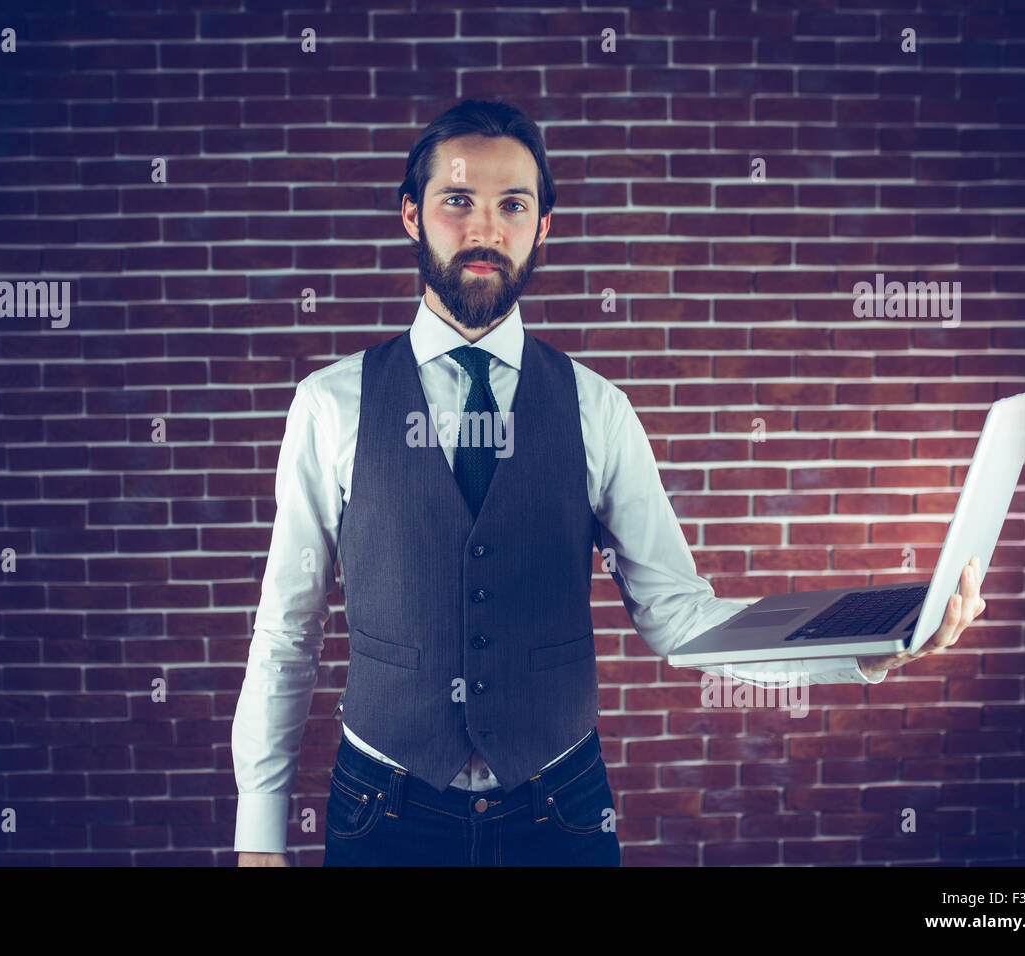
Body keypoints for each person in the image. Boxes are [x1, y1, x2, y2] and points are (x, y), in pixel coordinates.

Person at [233, 100, 985, 867]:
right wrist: (258, 833)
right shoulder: (331, 405)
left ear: (543, 227)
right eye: (457, 200)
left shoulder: (598, 408)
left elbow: (679, 616)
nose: (485, 229)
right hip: (383, 812)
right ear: (411, 216)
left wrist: (863, 644)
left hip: (558, 813)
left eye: (512, 205)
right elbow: (289, 627)